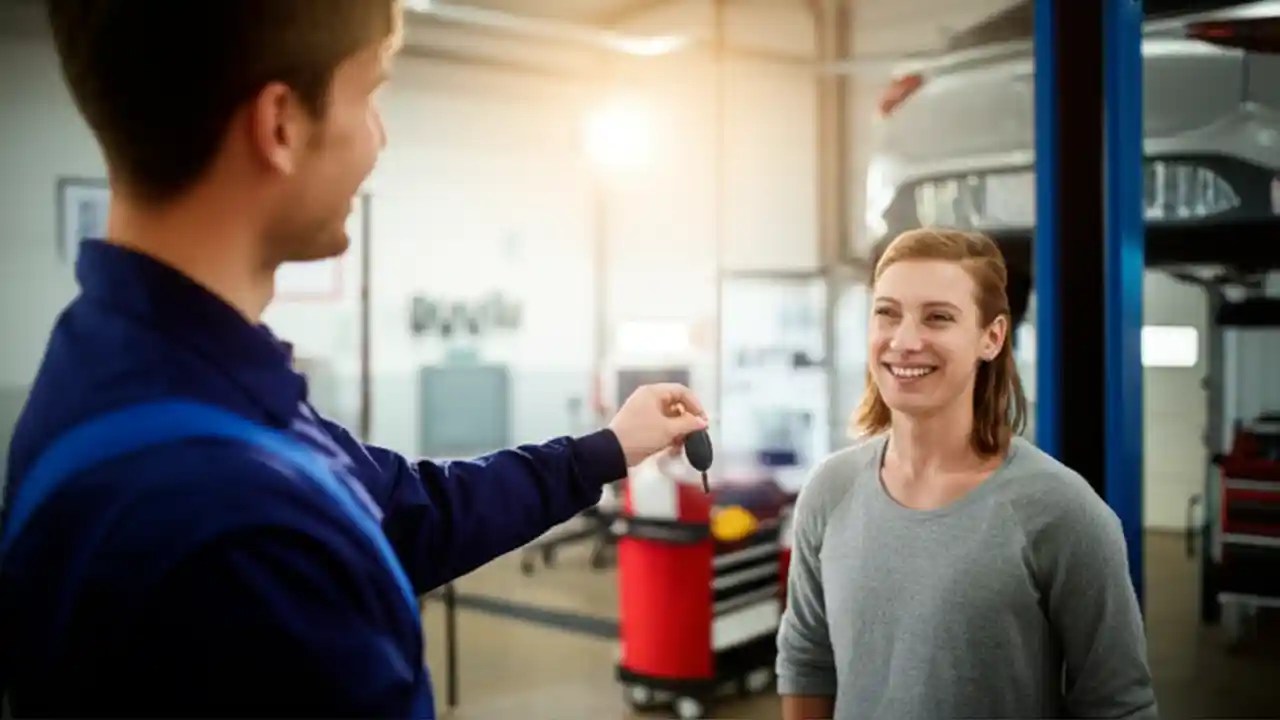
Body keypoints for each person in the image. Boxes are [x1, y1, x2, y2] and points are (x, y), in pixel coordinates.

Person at [0, 1, 709, 717]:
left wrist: (607, 449)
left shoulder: (133, 372)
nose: (379, 138)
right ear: (281, 125)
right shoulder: (236, 523)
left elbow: (406, 514)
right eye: (369, 95)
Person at [775, 228, 1158, 720]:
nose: (904, 340)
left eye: (938, 317)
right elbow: (808, 660)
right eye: (887, 313)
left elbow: (1119, 705)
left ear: (991, 337)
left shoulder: (1064, 512)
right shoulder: (829, 491)